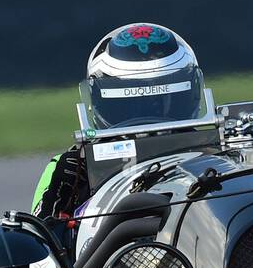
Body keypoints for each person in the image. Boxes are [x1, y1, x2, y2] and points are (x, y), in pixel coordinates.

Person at [31, 23, 204, 219]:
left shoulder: (221, 151)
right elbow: (40, 238)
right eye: (131, 106)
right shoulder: (72, 166)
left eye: (157, 104)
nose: (147, 122)